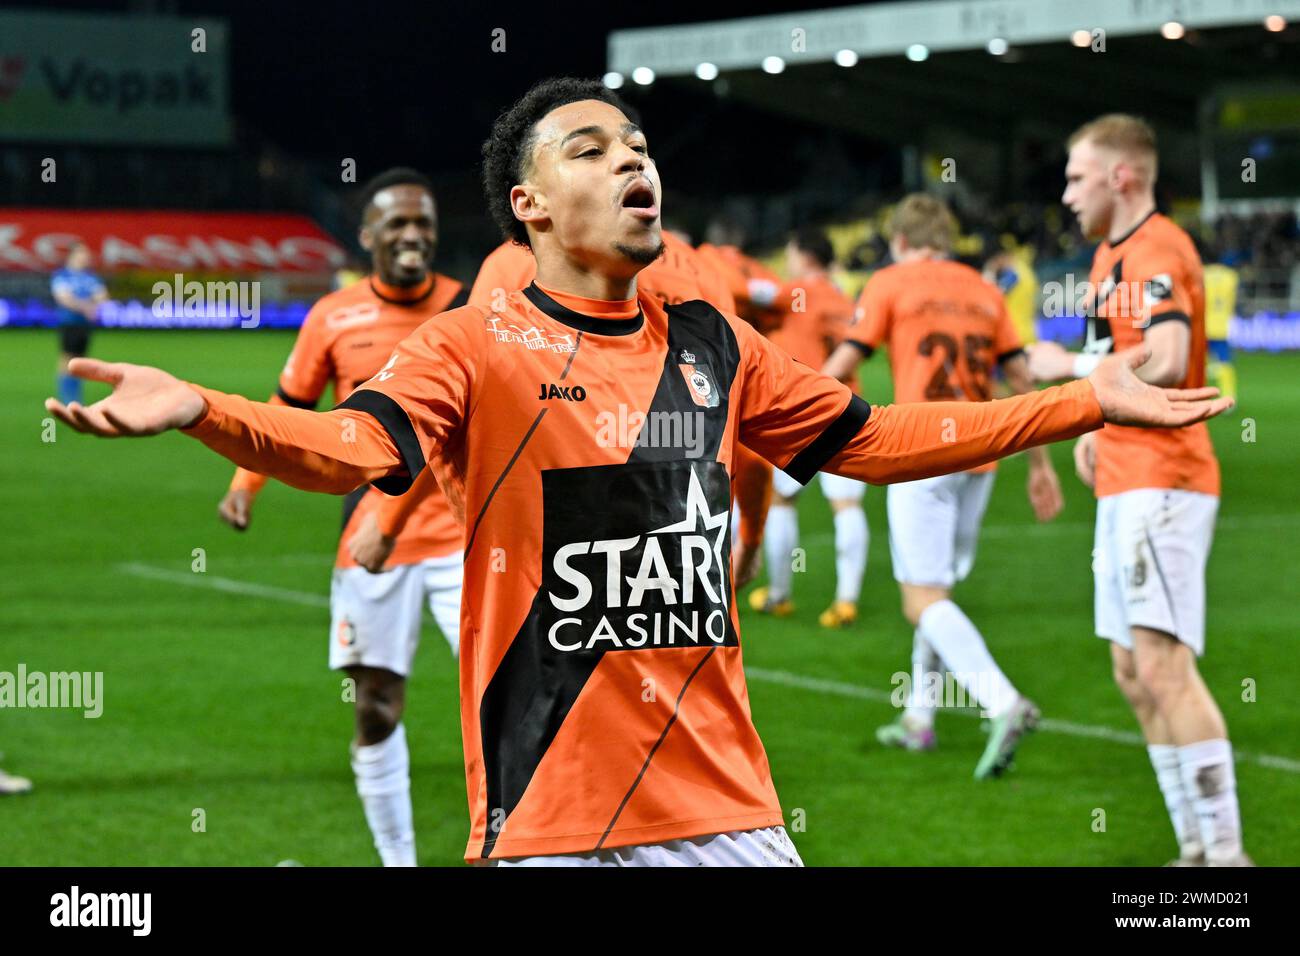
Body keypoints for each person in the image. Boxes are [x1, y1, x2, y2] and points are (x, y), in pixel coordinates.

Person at [47, 79, 1231, 867]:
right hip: (555, 822)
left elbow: (873, 438)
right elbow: (349, 446)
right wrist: (207, 408)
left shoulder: (714, 339)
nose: (632, 161)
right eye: (591, 148)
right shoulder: (468, 344)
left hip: (732, 808)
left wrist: (1078, 397)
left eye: (641, 145)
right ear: (528, 205)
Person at [218, 168, 467, 867]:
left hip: (468, 543)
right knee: (374, 708)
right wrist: (247, 481)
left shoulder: (471, 307)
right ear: (367, 237)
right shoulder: (333, 315)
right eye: (397, 224)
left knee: (508, 701)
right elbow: (290, 408)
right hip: (368, 546)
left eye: (424, 224)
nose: (414, 236)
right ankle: (399, 863)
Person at [1026, 114, 1249, 866]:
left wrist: (1067, 374)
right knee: (1131, 669)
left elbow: (1172, 352)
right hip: (1124, 478)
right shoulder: (1105, 258)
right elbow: (1114, 360)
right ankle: (1194, 847)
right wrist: (1089, 428)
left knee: (1162, 664)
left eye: (1076, 177)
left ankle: (1227, 857)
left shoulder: (1155, 247)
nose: (1065, 194)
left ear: (1121, 177)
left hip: (1165, 477)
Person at [824, 193, 1064, 778]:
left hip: (919, 448)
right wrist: (1041, 465)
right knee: (936, 591)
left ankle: (1003, 702)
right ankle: (919, 717)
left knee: (922, 599)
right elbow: (1022, 380)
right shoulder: (984, 289)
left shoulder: (890, 282)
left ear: (900, 242)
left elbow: (841, 363)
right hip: (981, 453)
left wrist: (776, 416)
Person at [746, 226, 869, 629]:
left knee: (783, 502)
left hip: (806, 409)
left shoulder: (797, 292)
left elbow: (751, 292)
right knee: (847, 506)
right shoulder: (842, 297)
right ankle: (846, 599)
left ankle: (780, 594)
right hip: (850, 408)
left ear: (802, 255)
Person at [50, 243, 107, 407]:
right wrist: (87, 307)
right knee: (67, 359)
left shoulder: (90, 277)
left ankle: (76, 398)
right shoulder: (62, 276)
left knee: (81, 361)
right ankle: (67, 397)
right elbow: (63, 297)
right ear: (72, 255)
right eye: (82, 253)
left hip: (85, 325)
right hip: (69, 323)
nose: (86, 257)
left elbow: (102, 295)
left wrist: (94, 306)